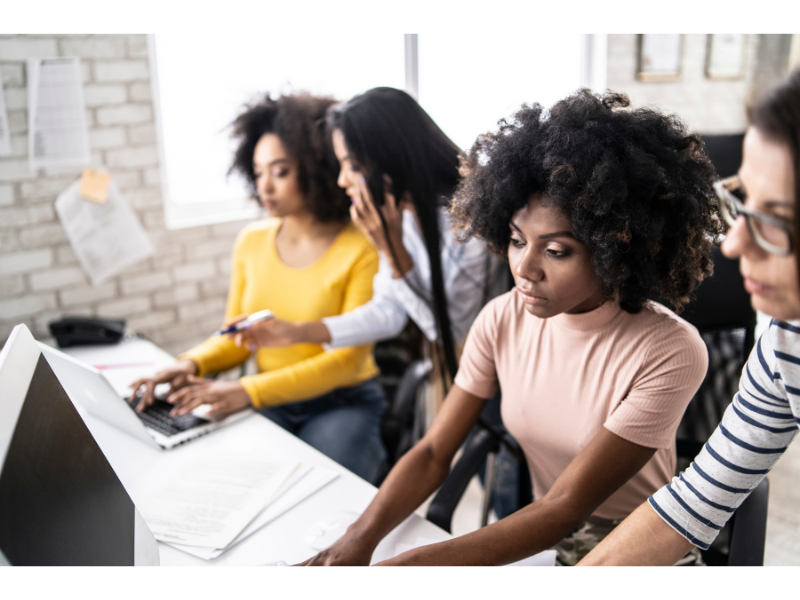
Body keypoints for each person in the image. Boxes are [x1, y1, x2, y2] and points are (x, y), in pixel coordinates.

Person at [298, 89, 722, 566]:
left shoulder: (669, 349)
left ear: (615, 249)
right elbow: (435, 450)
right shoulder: (501, 318)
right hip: (553, 544)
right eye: (518, 241)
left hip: (644, 545)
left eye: (556, 251)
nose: (525, 268)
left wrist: (413, 566)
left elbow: (565, 508)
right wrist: (359, 538)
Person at [579, 69, 800, 566]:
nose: (735, 243)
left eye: (777, 221)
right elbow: (691, 504)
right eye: (742, 201)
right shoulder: (787, 342)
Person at [130, 93, 389, 484]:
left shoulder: (362, 245)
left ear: (316, 168)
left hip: (342, 403)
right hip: (270, 400)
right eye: (258, 171)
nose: (264, 186)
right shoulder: (251, 242)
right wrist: (190, 364)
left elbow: (347, 362)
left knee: (320, 495)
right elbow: (235, 336)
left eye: (280, 172)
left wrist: (246, 391)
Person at [233, 87, 502, 394]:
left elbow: (448, 329)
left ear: (393, 158)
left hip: (499, 370)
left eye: (353, 166)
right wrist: (295, 332)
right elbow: (387, 312)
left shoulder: (473, 227)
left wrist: (391, 248)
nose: (342, 180)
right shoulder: (397, 214)